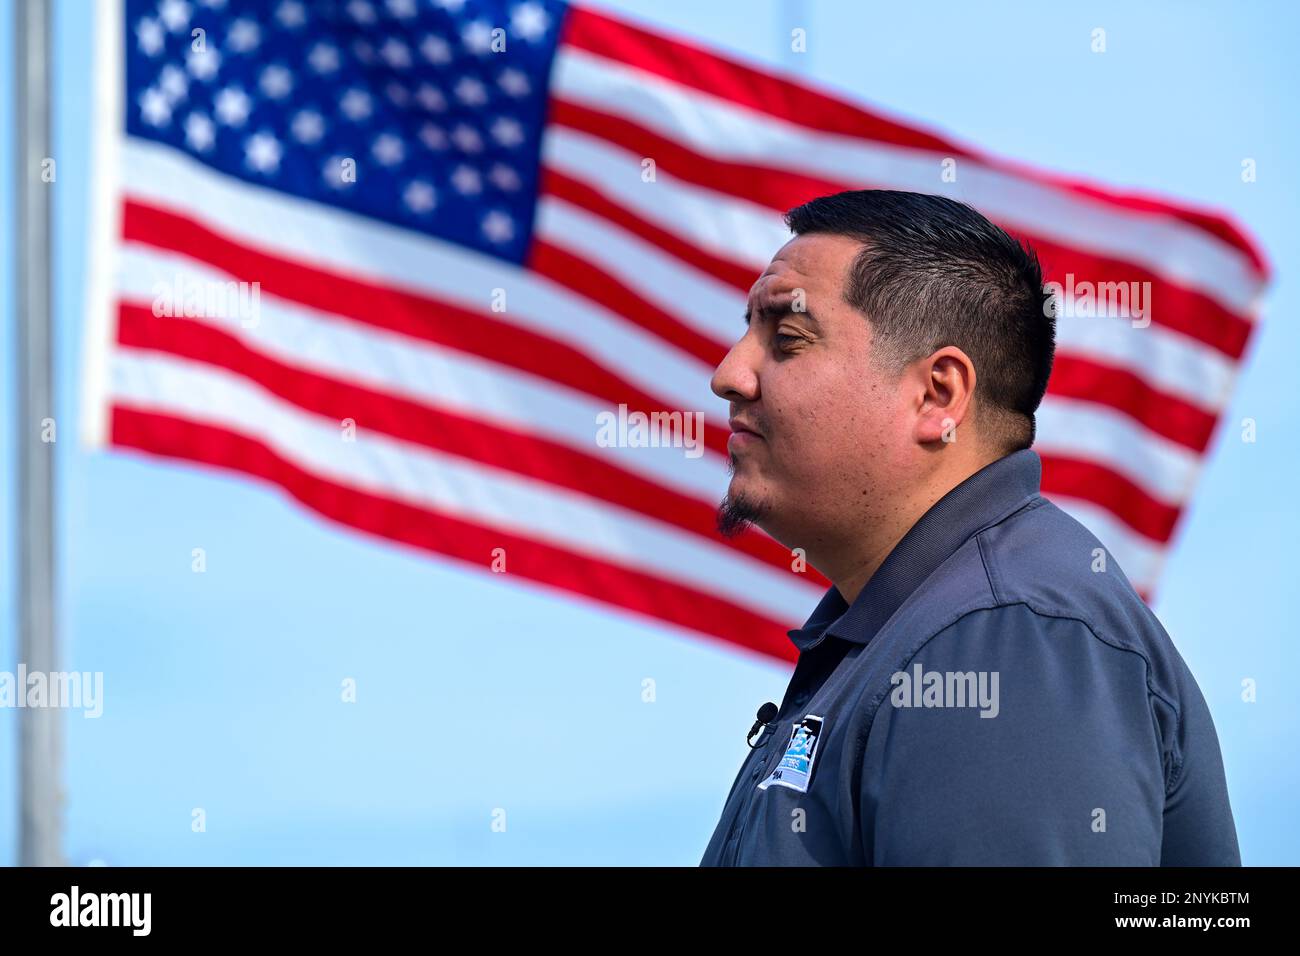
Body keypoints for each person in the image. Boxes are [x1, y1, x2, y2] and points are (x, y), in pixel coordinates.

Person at [699, 189, 1240, 866]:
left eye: (786, 338)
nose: (728, 375)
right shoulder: (931, 627)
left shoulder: (1007, 633)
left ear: (938, 395)